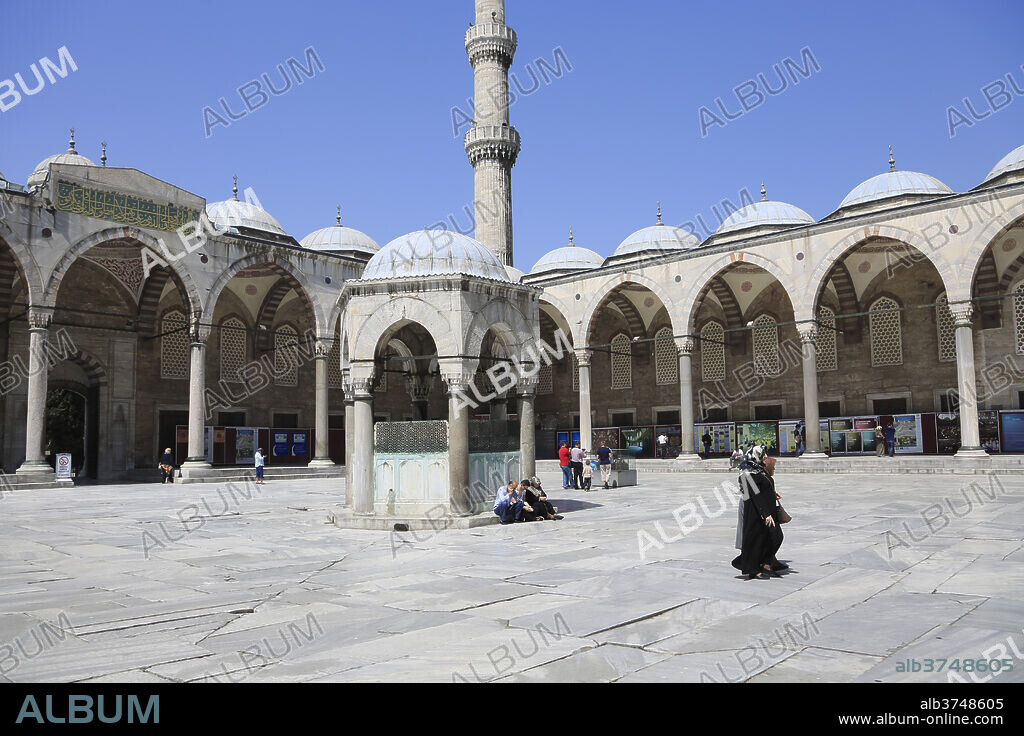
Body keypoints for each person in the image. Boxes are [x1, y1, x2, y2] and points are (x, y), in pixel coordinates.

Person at [731, 445, 785, 580]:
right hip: (754, 512)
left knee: (768, 537)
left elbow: (763, 487)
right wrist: (765, 514)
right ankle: (753, 568)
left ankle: (766, 563)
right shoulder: (748, 473)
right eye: (763, 455)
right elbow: (755, 495)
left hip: (763, 510)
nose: (766, 457)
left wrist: (772, 494)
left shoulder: (757, 470)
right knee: (756, 539)